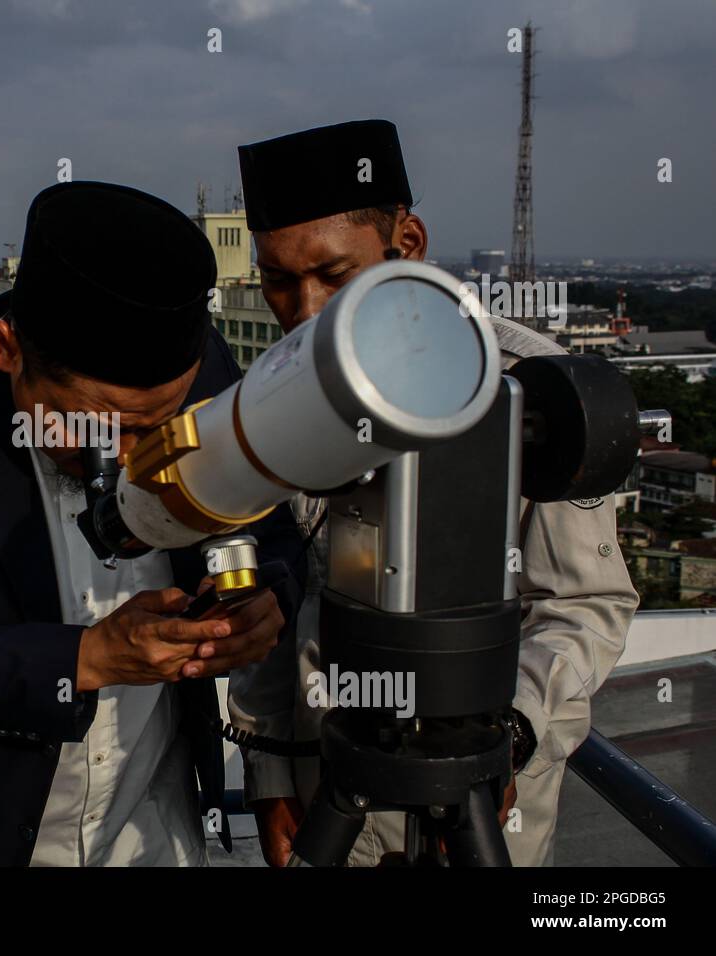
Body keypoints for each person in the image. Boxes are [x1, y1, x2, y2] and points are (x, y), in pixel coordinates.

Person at [0, 180, 306, 866]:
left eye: (159, 427)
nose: (132, 459)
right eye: (101, 427)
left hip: (159, 829)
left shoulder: (202, 374)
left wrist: (267, 598)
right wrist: (87, 659)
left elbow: (272, 530)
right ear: (8, 348)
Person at [229, 119, 639, 867]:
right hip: (327, 792)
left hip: (481, 808)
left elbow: (583, 606)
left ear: (408, 243)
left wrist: (503, 734)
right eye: (280, 281)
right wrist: (267, 771)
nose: (308, 310)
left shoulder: (525, 390)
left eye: (333, 274)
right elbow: (270, 598)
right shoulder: (275, 398)